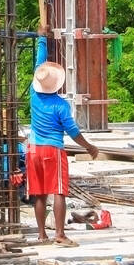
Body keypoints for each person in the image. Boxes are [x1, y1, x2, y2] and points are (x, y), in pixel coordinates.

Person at [26, 28, 99, 245]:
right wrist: (89, 147)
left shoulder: (33, 94)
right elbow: (73, 132)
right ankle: (59, 234)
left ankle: (41, 235)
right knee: (58, 191)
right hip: (52, 150)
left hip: (32, 149)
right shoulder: (60, 105)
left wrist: (42, 39)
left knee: (38, 193)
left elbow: (39, 65)